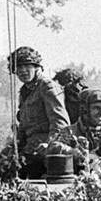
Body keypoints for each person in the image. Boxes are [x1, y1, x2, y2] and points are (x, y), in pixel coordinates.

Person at [11, 46, 72, 179]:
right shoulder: (25, 92)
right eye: (18, 68)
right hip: (29, 148)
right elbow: (24, 124)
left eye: (27, 66)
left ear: (36, 67)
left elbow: (60, 123)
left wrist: (50, 146)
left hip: (45, 151)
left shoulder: (47, 87)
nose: (22, 71)